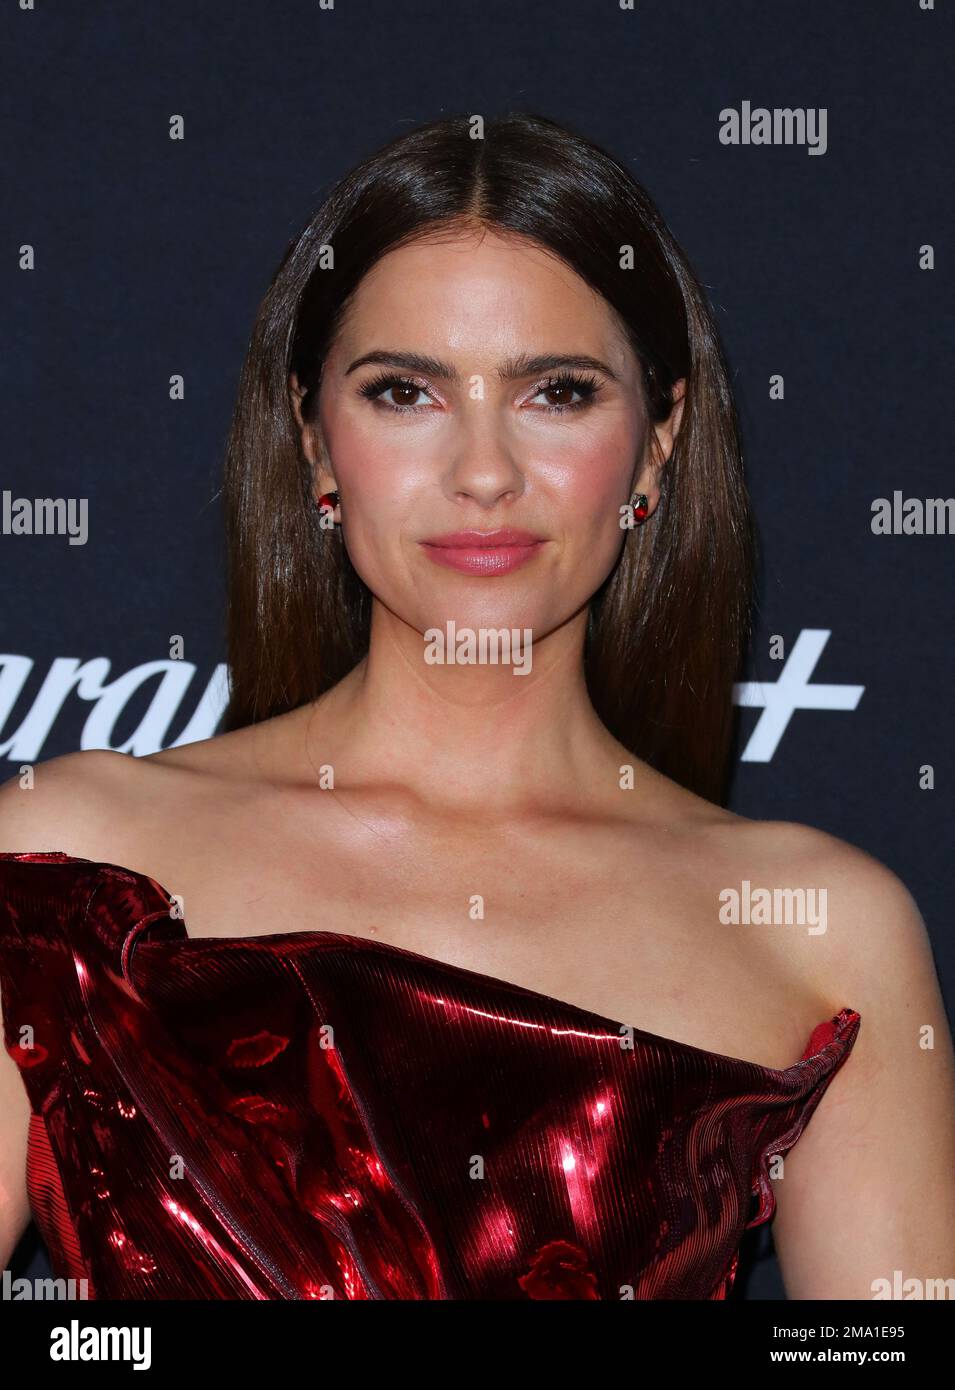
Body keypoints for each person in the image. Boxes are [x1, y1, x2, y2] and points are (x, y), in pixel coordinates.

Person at [1, 112, 953, 1300]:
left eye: (557, 391)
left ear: (657, 443)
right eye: (406, 392)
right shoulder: (66, 861)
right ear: (315, 442)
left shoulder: (820, 930)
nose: (485, 473)